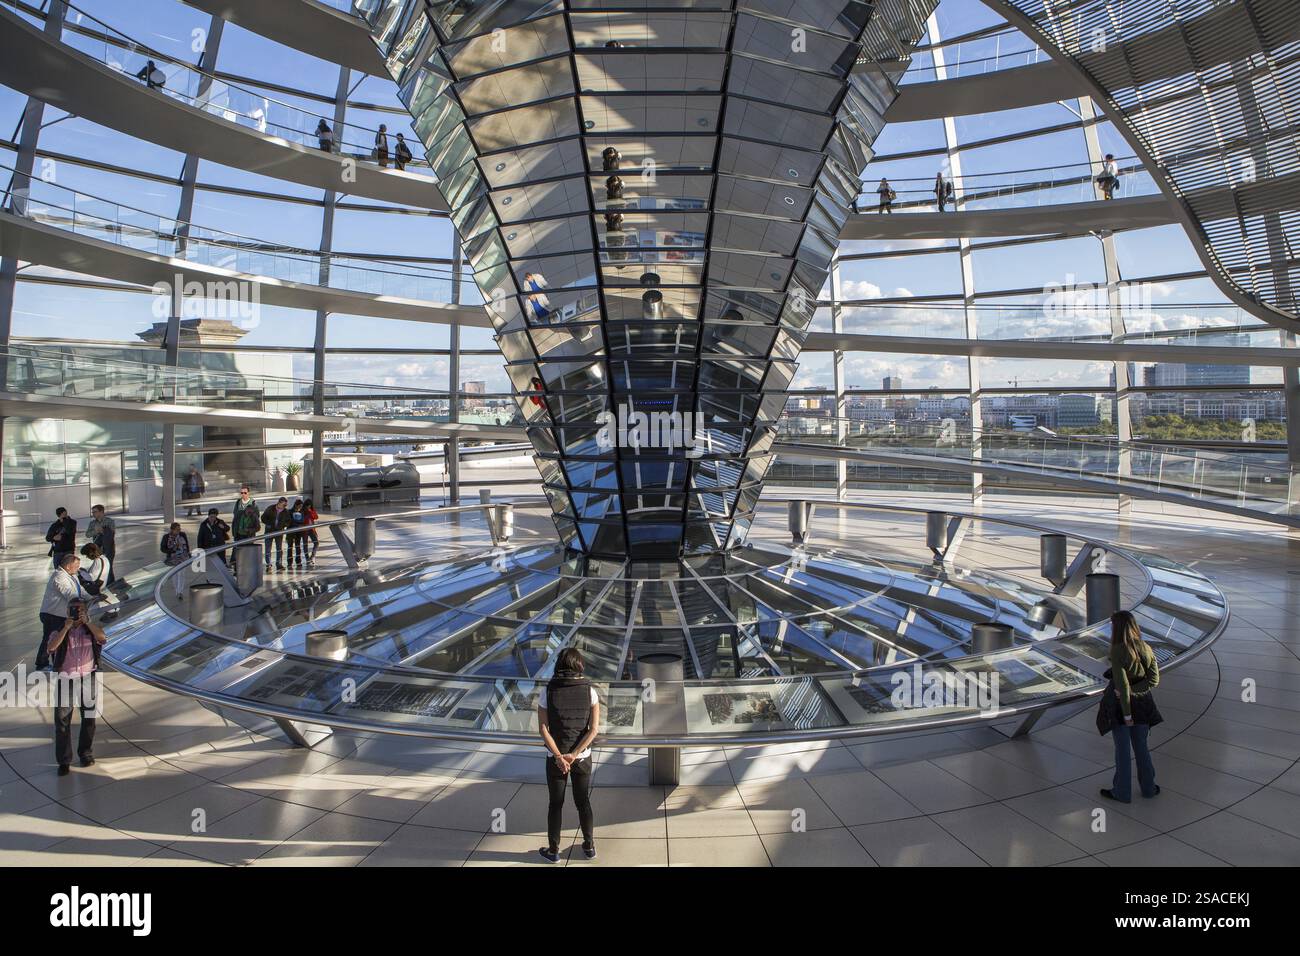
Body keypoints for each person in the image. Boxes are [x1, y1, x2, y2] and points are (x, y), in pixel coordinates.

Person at [536, 646, 599, 863]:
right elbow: (593, 730)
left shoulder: (547, 690)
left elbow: (543, 728)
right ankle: (589, 846)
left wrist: (559, 756)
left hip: (555, 759)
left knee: (555, 803)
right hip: (581, 758)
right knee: (583, 802)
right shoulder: (589, 690)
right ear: (578, 665)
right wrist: (574, 755)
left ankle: (553, 851)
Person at [1098, 610, 1162, 803]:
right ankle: (1149, 788)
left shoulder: (1117, 650)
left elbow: (1122, 686)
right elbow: (1154, 680)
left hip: (1121, 709)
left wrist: (1126, 715)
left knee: (1123, 751)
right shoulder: (1146, 648)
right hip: (1143, 704)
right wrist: (1137, 690)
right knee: (1141, 747)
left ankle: (1122, 792)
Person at [47, 598, 106, 776]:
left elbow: (102, 638)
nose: (76, 613)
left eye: (80, 610)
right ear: (67, 612)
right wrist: (66, 627)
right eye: (73, 610)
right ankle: (64, 761)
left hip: (88, 678)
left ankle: (85, 753)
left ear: (86, 612)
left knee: (89, 719)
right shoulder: (59, 631)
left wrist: (88, 622)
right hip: (66, 679)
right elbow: (51, 647)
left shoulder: (90, 630)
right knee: (62, 722)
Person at [37, 552, 84, 670]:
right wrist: (80, 602)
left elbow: (81, 590)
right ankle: (41, 663)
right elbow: (70, 593)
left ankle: (59, 662)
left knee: (59, 639)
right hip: (52, 615)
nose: (78, 568)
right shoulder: (59, 577)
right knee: (49, 638)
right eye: (76, 565)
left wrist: (92, 597)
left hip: (60, 614)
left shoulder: (72, 575)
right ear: (68, 566)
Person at [84, 505, 117, 586]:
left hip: (109, 548)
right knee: (100, 567)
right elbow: (87, 534)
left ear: (101, 512)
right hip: (97, 549)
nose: (93, 514)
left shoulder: (109, 521)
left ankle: (111, 584)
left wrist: (103, 531)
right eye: (93, 512)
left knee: (108, 566)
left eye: (95, 512)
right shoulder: (92, 523)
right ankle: (102, 583)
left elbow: (112, 533)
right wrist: (95, 531)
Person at [231, 485, 260, 572]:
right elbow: (235, 516)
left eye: (245, 493)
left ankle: (246, 567)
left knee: (247, 550)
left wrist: (250, 529)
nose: (243, 494)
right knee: (237, 549)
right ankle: (236, 567)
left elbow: (257, 519)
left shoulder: (253, 503)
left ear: (248, 493)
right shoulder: (238, 502)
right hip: (239, 532)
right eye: (241, 493)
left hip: (248, 534)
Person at [160, 522, 191, 600]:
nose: (178, 531)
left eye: (179, 529)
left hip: (183, 557)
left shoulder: (182, 535)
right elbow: (163, 549)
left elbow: (186, 545)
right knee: (174, 575)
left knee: (181, 574)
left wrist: (188, 553)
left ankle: (180, 592)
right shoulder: (166, 537)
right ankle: (177, 590)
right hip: (172, 558)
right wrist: (173, 549)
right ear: (172, 530)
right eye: (177, 530)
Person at [262, 497, 291, 572]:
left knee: (279, 549)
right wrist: (268, 524)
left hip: (279, 532)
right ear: (279, 502)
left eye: (285, 505)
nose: (284, 507)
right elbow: (263, 518)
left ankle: (279, 564)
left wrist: (284, 525)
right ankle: (268, 565)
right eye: (283, 505)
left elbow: (288, 521)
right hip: (269, 531)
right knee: (268, 548)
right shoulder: (270, 508)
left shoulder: (286, 511)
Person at [287, 499, 307, 570]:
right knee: (290, 547)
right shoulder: (289, 512)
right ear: (296, 505)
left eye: (301, 506)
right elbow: (289, 521)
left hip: (298, 532)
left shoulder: (302, 512)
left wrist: (296, 523)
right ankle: (289, 562)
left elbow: (302, 520)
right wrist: (297, 523)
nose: (300, 507)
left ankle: (298, 561)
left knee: (297, 546)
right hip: (290, 532)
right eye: (299, 506)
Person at [302, 497, 320, 568]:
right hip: (304, 529)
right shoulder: (302, 511)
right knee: (305, 544)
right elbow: (302, 520)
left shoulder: (312, 510)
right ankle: (307, 558)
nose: (308, 506)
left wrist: (310, 512)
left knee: (316, 542)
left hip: (311, 529)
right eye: (307, 505)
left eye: (310, 505)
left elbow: (316, 517)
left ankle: (312, 556)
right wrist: (307, 513)